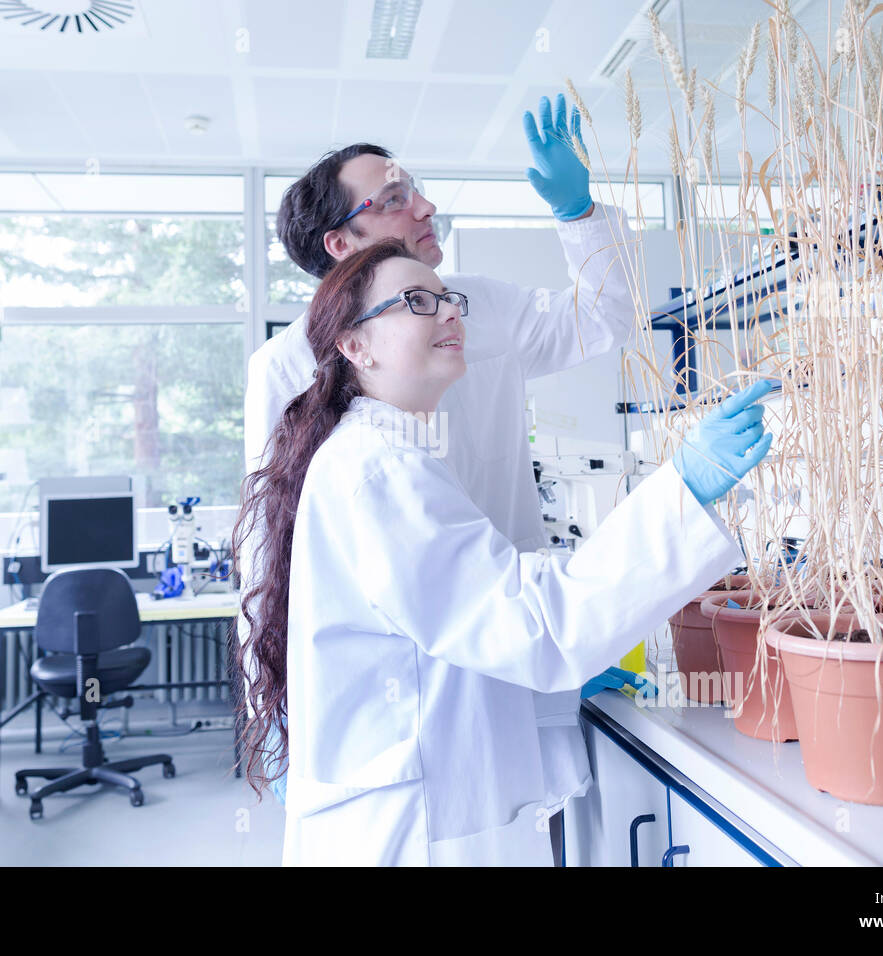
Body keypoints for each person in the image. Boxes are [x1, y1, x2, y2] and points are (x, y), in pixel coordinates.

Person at [232, 240, 773, 865]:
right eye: (417, 302)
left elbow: (482, 594)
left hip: (420, 801)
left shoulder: (389, 452)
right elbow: (535, 623)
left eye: (448, 299)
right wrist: (680, 491)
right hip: (409, 826)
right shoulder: (378, 469)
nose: (449, 313)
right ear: (355, 345)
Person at [239, 95, 647, 859]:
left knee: (518, 835)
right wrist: (282, 725)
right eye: (392, 199)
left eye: (415, 187)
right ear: (340, 241)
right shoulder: (286, 366)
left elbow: (606, 319)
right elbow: (268, 553)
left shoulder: (476, 305)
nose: (424, 205)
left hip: (509, 634)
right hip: (381, 697)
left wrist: (580, 212)